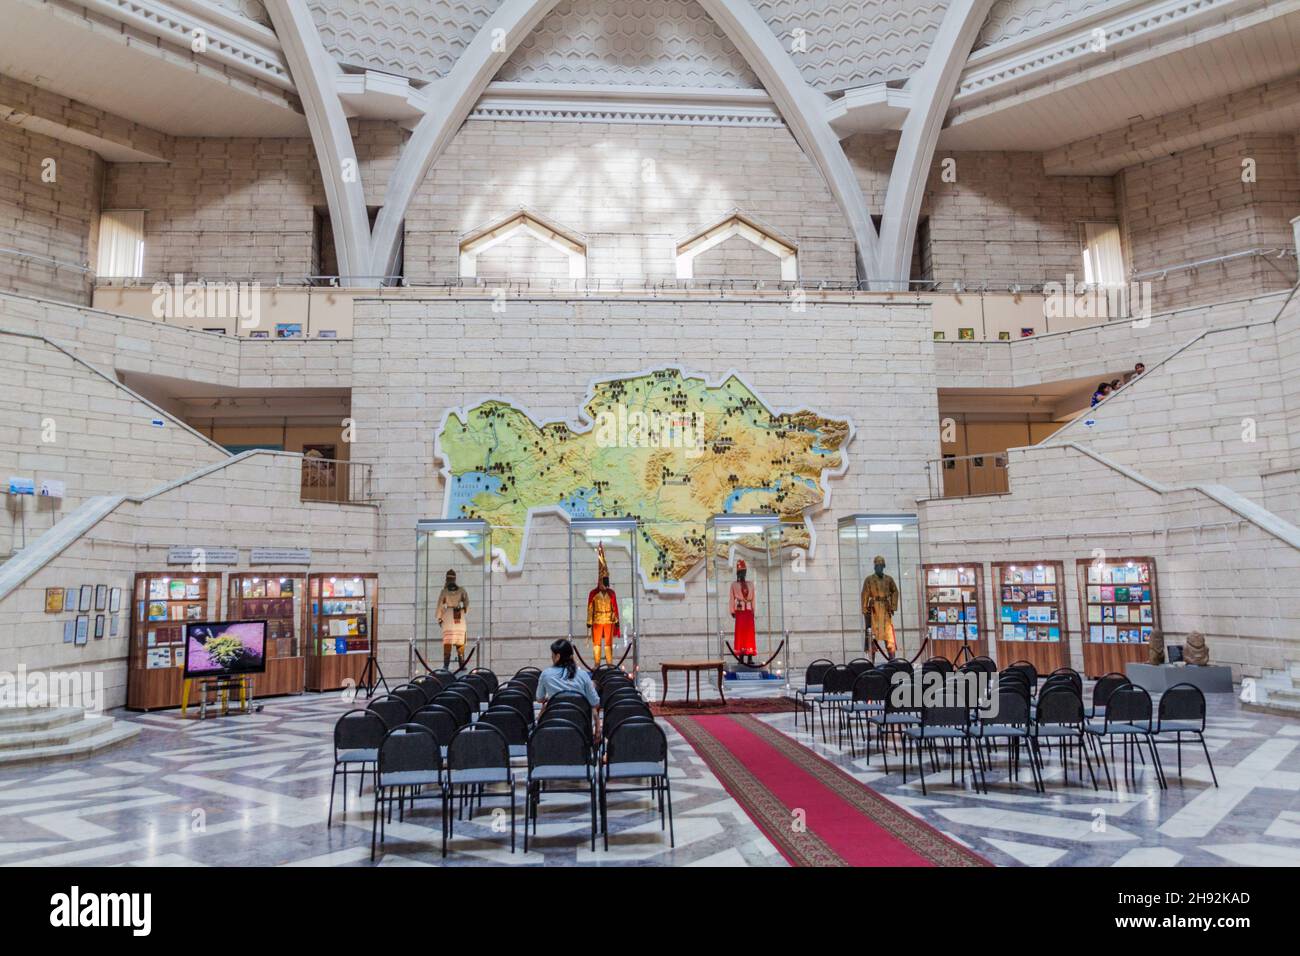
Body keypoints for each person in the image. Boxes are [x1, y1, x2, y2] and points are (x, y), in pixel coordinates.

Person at [535, 638, 599, 708]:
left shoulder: (545, 674)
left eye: (552, 654)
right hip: (579, 718)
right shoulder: (583, 675)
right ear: (571, 656)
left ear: (557, 657)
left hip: (555, 718)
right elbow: (595, 703)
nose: (551, 657)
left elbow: (539, 699)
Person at [586, 542, 620, 666]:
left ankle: (610, 663)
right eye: (602, 581)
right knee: (597, 643)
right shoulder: (593, 594)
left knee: (608, 643)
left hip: (609, 621)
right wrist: (589, 622)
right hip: (597, 620)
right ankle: (597, 664)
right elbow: (590, 609)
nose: (604, 584)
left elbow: (614, 608)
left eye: (605, 581)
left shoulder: (611, 594)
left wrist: (616, 620)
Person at [861, 555, 899, 658]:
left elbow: (895, 591)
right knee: (871, 637)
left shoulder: (889, 579)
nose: (879, 567)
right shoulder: (869, 579)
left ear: (883, 566)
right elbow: (864, 594)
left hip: (885, 610)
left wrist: (893, 606)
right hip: (874, 611)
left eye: (881, 566)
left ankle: (892, 662)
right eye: (877, 566)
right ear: (874, 566)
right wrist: (865, 609)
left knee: (889, 636)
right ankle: (871, 663)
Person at [435, 569, 468, 668]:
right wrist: (463, 609)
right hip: (459, 618)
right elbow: (467, 603)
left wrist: (439, 618)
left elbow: (440, 605)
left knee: (448, 642)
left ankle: (446, 665)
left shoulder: (444, 591)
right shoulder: (462, 590)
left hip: (448, 617)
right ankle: (461, 664)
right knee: (460, 641)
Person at [729, 559, 757, 665]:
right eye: (740, 572)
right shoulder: (734, 585)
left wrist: (754, 609)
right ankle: (740, 657)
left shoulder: (751, 584)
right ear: (737, 573)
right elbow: (731, 598)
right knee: (740, 634)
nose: (742, 574)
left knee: (749, 634)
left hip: (748, 611)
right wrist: (732, 610)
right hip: (740, 612)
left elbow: (753, 598)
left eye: (743, 572)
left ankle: (749, 657)